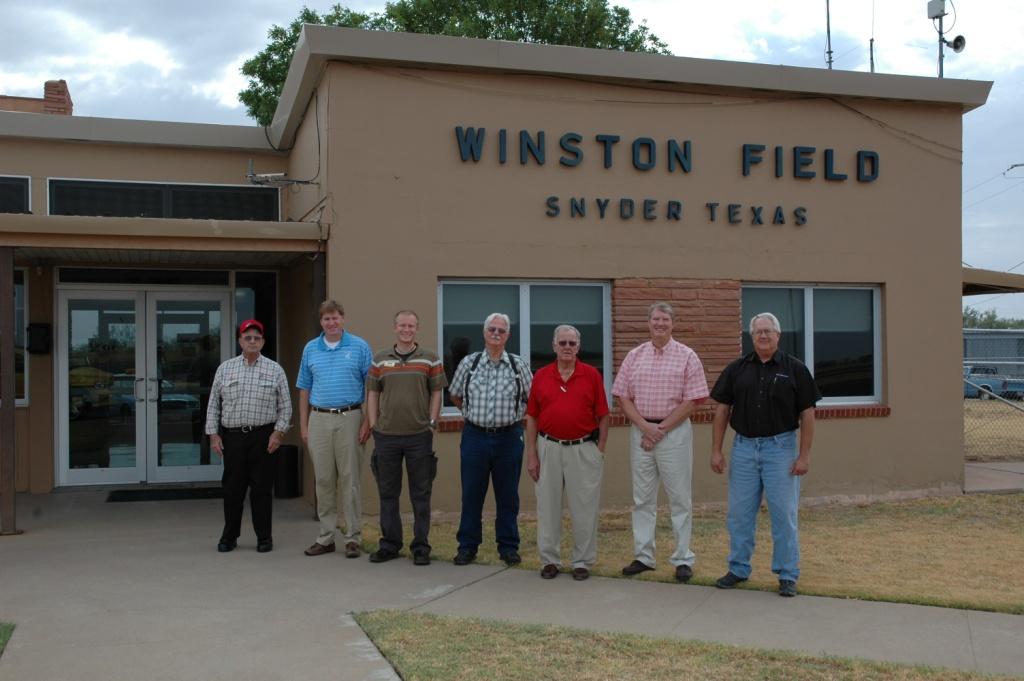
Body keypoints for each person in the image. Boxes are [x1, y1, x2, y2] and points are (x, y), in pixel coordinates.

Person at [710, 312, 821, 597]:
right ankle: (738, 568)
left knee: (783, 515)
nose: (763, 336)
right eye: (758, 331)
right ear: (752, 336)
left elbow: (807, 414)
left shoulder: (795, 369)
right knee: (739, 514)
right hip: (744, 448)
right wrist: (716, 450)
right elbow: (722, 410)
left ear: (778, 335)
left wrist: (804, 456)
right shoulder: (737, 369)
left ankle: (787, 574)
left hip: (780, 449)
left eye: (768, 331)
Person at [611, 301, 709, 583]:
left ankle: (682, 558)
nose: (660, 324)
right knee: (642, 499)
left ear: (672, 323)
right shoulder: (635, 355)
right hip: (640, 431)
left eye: (665, 319)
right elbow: (622, 396)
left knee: (679, 498)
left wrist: (661, 429)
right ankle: (644, 556)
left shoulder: (687, 356)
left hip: (673, 432)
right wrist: (645, 427)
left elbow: (694, 399)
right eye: (655, 319)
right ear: (649, 322)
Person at [448, 312, 533, 566]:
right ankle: (467, 546)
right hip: (475, 436)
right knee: (472, 494)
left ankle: (508, 546)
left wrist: (517, 419)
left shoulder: (519, 365)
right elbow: (454, 394)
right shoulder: (469, 364)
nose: (496, 334)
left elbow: (533, 400)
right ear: (484, 333)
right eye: (492, 329)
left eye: (501, 330)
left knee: (508, 495)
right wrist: (471, 415)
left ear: (508, 335)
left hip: (509, 437)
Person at [525, 325, 609, 581]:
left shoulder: (591, 375)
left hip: (583, 449)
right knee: (547, 507)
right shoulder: (541, 376)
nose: (567, 348)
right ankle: (550, 560)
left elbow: (604, 416)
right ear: (554, 346)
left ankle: (582, 561)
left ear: (578, 347)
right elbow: (531, 416)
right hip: (548, 447)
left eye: (572, 343)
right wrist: (532, 454)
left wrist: (599, 451)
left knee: (584, 508)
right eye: (562, 343)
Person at [365, 310, 447, 566]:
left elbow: (436, 393)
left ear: (417, 329)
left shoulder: (430, 359)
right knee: (388, 493)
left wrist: (432, 422)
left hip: (418, 436)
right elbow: (372, 394)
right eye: (402, 325)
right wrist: (374, 424)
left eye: (411, 325)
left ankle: (420, 547)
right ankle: (390, 544)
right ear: (394, 328)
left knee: (420, 495)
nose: (406, 329)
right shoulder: (380, 360)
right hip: (386, 437)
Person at [206, 319, 291, 553]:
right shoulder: (225, 369)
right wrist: (213, 435)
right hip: (233, 438)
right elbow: (213, 404)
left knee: (262, 491)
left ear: (262, 341)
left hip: (264, 437)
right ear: (240, 341)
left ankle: (264, 537)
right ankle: (229, 537)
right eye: (247, 337)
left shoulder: (275, 370)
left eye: (256, 338)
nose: (252, 341)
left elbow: (286, 406)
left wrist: (279, 432)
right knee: (233, 489)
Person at [297, 300, 373, 558]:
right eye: (326, 319)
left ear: (343, 319)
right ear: (321, 322)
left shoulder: (360, 346)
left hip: (350, 417)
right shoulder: (310, 349)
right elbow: (304, 388)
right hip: (319, 418)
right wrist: (304, 425)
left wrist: (367, 421)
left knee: (350, 480)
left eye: (335, 318)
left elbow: (371, 387)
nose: (331, 323)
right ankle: (326, 537)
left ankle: (352, 538)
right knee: (324, 480)